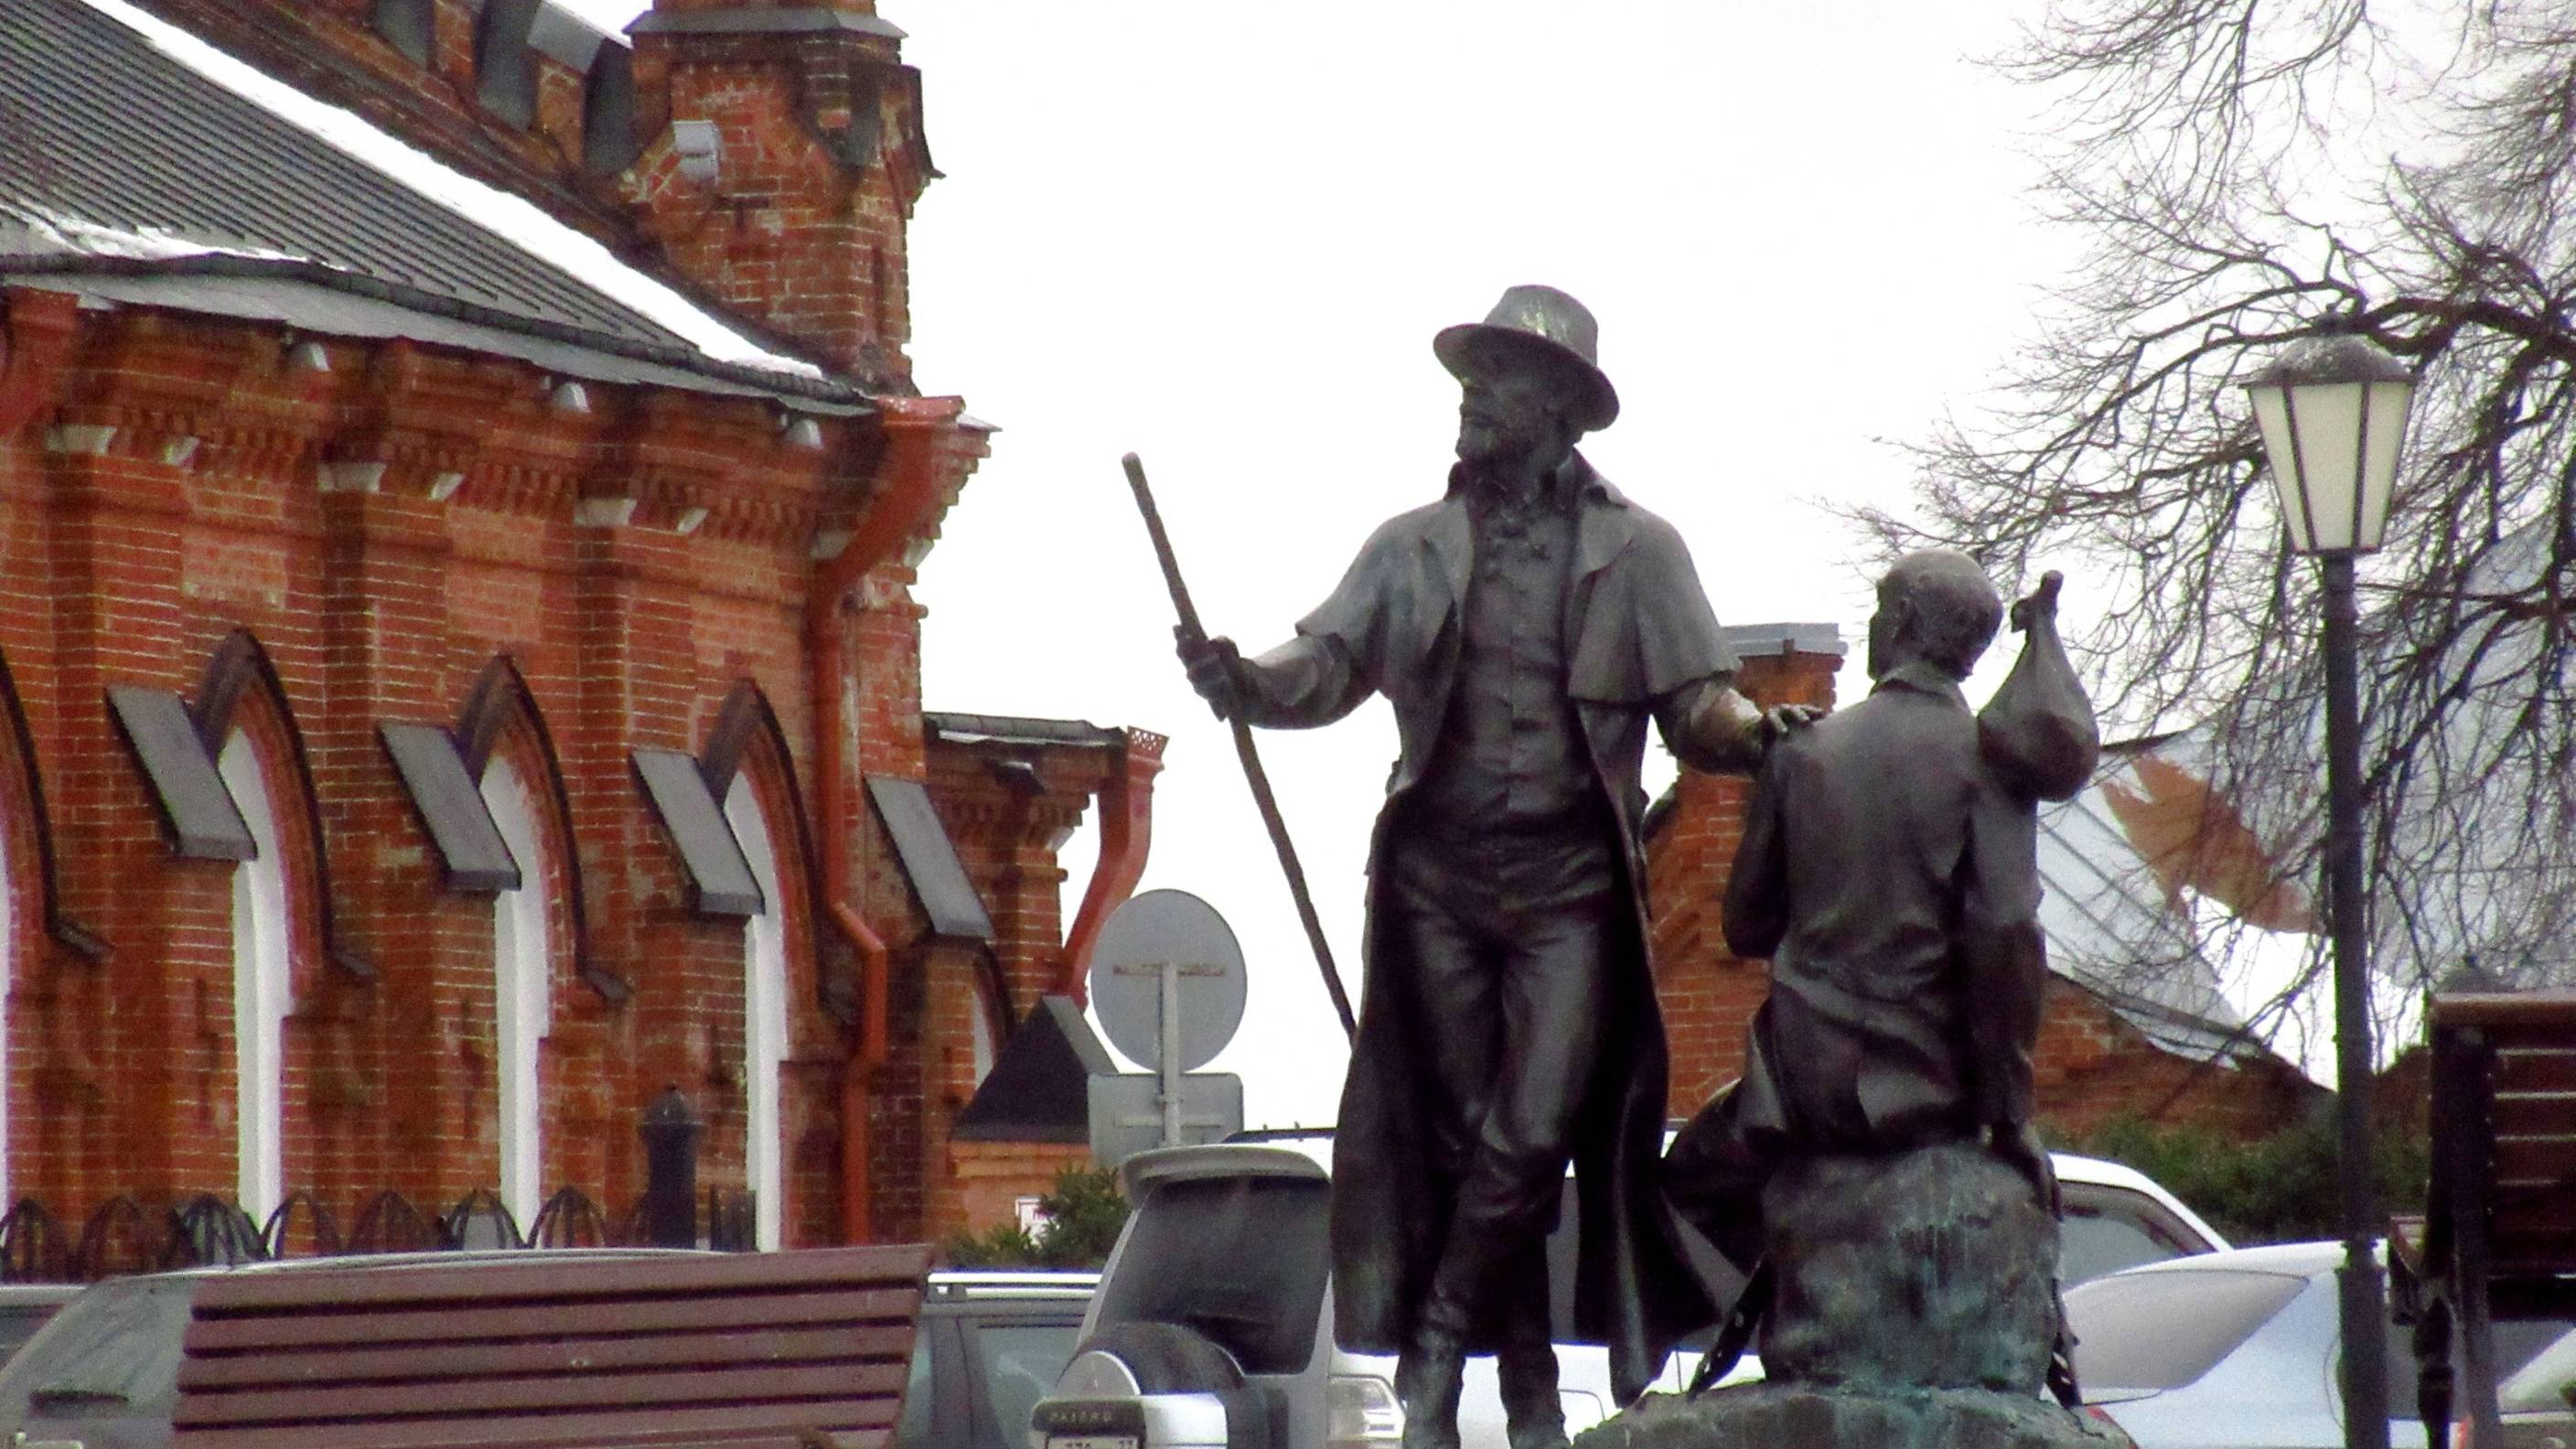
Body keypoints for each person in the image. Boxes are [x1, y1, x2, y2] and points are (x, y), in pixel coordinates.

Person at [1177, 285, 1798, 1449]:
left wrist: (1762, 738)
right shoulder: (1410, 543)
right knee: (1466, 1144)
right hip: (1435, 887)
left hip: (1571, 889)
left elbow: (1696, 706)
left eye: (1496, 376)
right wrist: (1245, 683)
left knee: (1529, 1135)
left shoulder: (1641, 552)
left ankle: (1433, 1352)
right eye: (1469, 375)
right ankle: (1520, 1401)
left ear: (1560, 407)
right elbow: (1325, 661)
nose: (1468, 395)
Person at [1659, 549, 2067, 1388]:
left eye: (1884, 610)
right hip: (1930, 1084)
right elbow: (2004, 934)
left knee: (1689, 1181)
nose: (1875, 625)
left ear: (1911, 626)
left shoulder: (1804, 752)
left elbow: (1744, 923)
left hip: (1803, 1086)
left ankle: (1801, 1280)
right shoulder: (1987, 758)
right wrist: (2007, 1109)